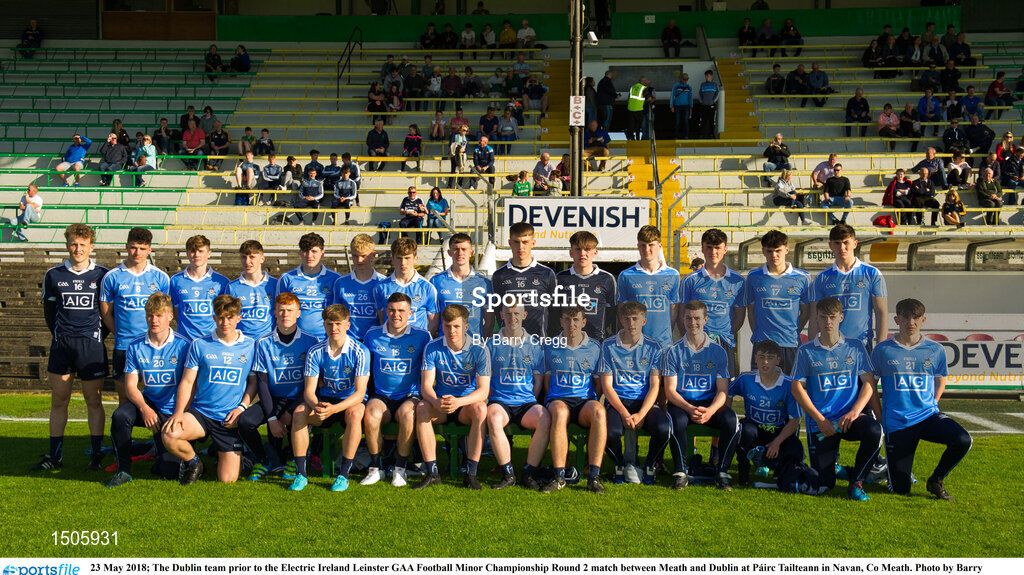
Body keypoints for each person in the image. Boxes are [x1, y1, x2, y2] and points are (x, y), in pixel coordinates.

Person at [872, 298, 972, 501]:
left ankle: (936, 480)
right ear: (897, 320)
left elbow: (941, 378)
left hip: (928, 416)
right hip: (898, 423)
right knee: (900, 490)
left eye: (916, 317)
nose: (911, 322)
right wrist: (881, 417)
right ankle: (881, 471)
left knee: (963, 440)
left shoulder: (935, 350)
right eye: (906, 317)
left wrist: (934, 401)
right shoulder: (882, 350)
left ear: (923, 320)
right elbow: (870, 386)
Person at [30, 225, 110, 472]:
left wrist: (95, 337)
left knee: (93, 401)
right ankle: (55, 457)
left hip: (91, 348)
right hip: (62, 346)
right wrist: (62, 336)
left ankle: (96, 456)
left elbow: (107, 314)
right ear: (67, 245)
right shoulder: (53, 275)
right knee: (59, 400)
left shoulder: (103, 275)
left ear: (91, 247)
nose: (78, 249)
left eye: (82, 244)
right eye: (74, 244)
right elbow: (49, 314)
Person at [790, 296, 882, 501]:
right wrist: (819, 420)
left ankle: (857, 482)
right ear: (816, 318)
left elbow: (869, 383)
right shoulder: (806, 350)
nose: (828, 322)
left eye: (832, 317)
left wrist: (855, 412)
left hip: (849, 419)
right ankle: (838, 470)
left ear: (841, 317)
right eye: (823, 317)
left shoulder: (855, 347)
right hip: (822, 424)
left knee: (875, 430)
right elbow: (796, 388)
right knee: (824, 485)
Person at [161, 294, 257, 484]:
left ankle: (234, 456)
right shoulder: (199, 344)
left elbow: (253, 383)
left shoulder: (251, 346)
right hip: (202, 414)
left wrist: (241, 408)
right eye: (220, 317)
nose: (225, 323)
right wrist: (179, 413)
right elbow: (187, 382)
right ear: (214, 318)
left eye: (230, 317)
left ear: (239, 318)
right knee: (170, 434)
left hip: (229, 418)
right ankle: (195, 463)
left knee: (227, 480)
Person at [105, 292, 190, 486]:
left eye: (159, 315)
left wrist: (180, 413)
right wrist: (145, 408)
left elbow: (190, 384)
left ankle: (158, 451)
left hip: (173, 409)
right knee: (120, 416)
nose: (154, 320)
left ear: (170, 316)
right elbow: (130, 386)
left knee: (169, 473)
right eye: (150, 315)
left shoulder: (184, 345)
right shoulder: (135, 346)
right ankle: (124, 470)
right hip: (150, 404)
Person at [286, 304, 369, 492]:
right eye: (330, 324)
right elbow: (309, 391)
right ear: (324, 325)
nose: (334, 328)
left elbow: (359, 393)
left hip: (349, 402)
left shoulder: (360, 351)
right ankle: (301, 474)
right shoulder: (315, 351)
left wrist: (334, 409)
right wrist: (317, 407)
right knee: (299, 413)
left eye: (338, 323)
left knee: (356, 414)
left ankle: (343, 475)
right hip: (324, 401)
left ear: (347, 325)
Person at [239, 293, 320, 482]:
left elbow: (313, 385)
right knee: (245, 421)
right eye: (281, 310)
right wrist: (272, 418)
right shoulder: (263, 342)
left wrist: (290, 411)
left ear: (298, 313)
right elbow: (262, 383)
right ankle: (263, 460)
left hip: (299, 399)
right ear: (274, 312)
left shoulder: (311, 341)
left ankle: (293, 459)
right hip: (273, 399)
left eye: (290, 310)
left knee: (298, 415)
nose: (285, 314)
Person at [412, 304, 491, 490]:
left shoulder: (480, 349)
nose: (451, 331)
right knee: (422, 408)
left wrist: (459, 402)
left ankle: (471, 473)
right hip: (442, 404)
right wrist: (436, 401)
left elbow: (483, 391)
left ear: (466, 326)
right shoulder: (432, 347)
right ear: (442, 326)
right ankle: (432, 472)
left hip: (465, 405)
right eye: (447, 326)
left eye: (456, 326)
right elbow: (425, 386)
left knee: (481, 409)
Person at [662, 300, 738, 490]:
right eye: (688, 318)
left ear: (705, 319)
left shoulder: (718, 351)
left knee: (732, 420)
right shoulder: (673, 351)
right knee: (676, 421)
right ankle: (680, 473)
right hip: (682, 403)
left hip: (709, 404)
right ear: (683, 319)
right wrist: (689, 408)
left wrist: (711, 410)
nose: (692, 322)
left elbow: (723, 391)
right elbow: (670, 391)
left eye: (697, 318)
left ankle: (722, 472)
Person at [360, 293, 432, 487]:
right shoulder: (372, 335)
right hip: (381, 395)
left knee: (408, 414)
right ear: (386, 311)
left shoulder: (423, 336)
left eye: (401, 310)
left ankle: (400, 469)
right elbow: (365, 369)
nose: (396, 315)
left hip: (410, 395)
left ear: (410, 313)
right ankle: (376, 468)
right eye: (391, 310)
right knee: (371, 415)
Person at [599, 301, 671, 485]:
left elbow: (655, 386)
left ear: (644, 321)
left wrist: (641, 414)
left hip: (644, 402)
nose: (631, 323)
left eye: (635, 319)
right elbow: (607, 386)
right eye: (627, 319)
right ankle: (620, 465)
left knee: (664, 429)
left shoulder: (654, 347)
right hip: (618, 402)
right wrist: (624, 413)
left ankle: (649, 465)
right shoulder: (608, 345)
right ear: (621, 320)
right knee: (610, 432)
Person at [541, 306, 607, 493]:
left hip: (584, 401)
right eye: (567, 320)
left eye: (576, 320)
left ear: (583, 322)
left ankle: (593, 477)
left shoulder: (595, 347)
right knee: (560, 412)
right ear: (561, 321)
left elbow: (598, 384)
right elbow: (547, 382)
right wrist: (552, 398)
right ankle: (559, 476)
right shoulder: (550, 346)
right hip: (559, 399)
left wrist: (592, 400)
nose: (572, 324)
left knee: (599, 412)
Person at [485, 301, 550, 489]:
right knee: (493, 418)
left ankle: (529, 473)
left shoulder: (534, 344)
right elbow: (485, 378)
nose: (512, 318)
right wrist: (492, 398)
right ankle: (508, 474)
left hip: (525, 403)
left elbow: (538, 380)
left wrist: (530, 398)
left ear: (524, 315)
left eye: (516, 313)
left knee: (544, 418)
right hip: (500, 401)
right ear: (501, 316)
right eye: (508, 313)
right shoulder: (491, 344)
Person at [101, 227, 170, 402]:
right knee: (124, 398)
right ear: (126, 246)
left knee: (158, 396)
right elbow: (106, 313)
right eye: (133, 247)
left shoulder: (161, 277)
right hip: (124, 345)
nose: (137, 252)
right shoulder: (112, 277)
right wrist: (121, 333)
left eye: (142, 248)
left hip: (154, 346)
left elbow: (166, 312)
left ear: (150, 249)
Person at [729, 339, 804, 485]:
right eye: (762, 357)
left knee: (795, 449)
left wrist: (777, 442)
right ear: (755, 358)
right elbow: (726, 392)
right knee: (745, 431)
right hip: (754, 430)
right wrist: (728, 416)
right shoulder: (745, 379)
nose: (765, 362)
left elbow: (795, 420)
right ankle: (743, 472)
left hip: (777, 432)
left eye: (770, 358)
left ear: (778, 360)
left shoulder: (789, 384)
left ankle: (777, 468)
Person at [809, 224, 888, 350]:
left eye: (846, 242)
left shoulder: (872, 273)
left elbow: (881, 312)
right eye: (837, 243)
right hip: (831, 347)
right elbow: (814, 317)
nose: (842, 247)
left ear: (855, 243)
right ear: (830, 245)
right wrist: (812, 349)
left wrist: (880, 348)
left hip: (861, 346)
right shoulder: (821, 278)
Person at [681, 229, 746, 378]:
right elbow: (681, 315)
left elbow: (739, 317)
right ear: (702, 249)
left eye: (717, 247)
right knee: (697, 385)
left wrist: (725, 333)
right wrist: (694, 335)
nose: (713, 252)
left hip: (724, 343)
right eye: (709, 247)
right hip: (696, 343)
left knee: (725, 386)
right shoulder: (690, 280)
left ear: (725, 249)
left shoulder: (738, 281)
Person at [743, 231, 810, 373]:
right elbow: (751, 310)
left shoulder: (802, 277)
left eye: (778, 250)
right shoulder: (754, 276)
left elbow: (806, 311)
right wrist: (758, 334)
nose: (774, 255)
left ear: (787, 249)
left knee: (790, 385)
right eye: (769, 251)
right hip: (763, 344)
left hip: (790, 343)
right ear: (763, 251)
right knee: (761, 385)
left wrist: (794, 331)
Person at [617, 225, 681, 349]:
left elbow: (673, 312)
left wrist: (665, 335)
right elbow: (621, 311)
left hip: (663, 344)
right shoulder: (626, 275)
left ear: (659, 246)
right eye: (643, 245)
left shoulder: (673, 275)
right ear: (638, 246)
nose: (647, 249)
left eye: (651, 245)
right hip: (635, 344)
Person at [491, 222, 557, 337]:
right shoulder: (499, 275)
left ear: (533, 243)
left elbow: (553, 312)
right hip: (508, 342)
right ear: (510, 243)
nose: (520, 247)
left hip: (537, 342)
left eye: (525, 242)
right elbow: (497, 312)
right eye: (516, 242)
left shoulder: (547, 274)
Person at [276, 233, 341, 341]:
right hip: (297, 339)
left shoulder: (335, 279)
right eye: (305, 251)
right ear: (300, 253)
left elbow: (339, 313)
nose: (309, 255)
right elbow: (279, 311)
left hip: (326, 339)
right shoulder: (287, 278)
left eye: (314, 251)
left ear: (322, 253)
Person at [430, 233, 493, 342]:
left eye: (464, 249)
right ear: (449, 252)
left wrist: (482, 345)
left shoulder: (484, 283)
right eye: (456, 249)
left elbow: (489, 321)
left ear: (471, 252)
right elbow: (433, 321)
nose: (460, 253)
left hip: (474, 346)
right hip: (446, 346)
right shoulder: (436, 281)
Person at [555, 231, 616, 342]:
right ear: (571, 253)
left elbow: (612, 313)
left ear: (595, 252)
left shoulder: (607, 278)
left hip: (597, 342)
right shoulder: (560, 278)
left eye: (587, 249)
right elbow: (555, 312)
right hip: (567, 342)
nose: (582, 254)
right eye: (578, 249)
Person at [169, 235, 229, 342]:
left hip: (211, 341)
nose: (196, 255)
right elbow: (176, 311)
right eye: (192, 251)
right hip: (184, 340)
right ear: (187, 253)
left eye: (201, 251)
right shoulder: (176, 280)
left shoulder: (221, 282)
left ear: (209, 253)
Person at [372, 237, 439, 333]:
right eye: (399, 258)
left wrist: (421, 339)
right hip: (391, 341)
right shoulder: (380, 287)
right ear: (392, 259)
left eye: (407, 258)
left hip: (417, 341)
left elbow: (434, 323)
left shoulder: (427, 288)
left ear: (415, 259)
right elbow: (382, 320)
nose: (403, 263)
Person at [226, 240, 278, 341]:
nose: (247, 262)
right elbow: (228, 317)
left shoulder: (275, 284)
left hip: (268, 342)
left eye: (252, 257)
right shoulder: (232, 287)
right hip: (242, 343)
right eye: (243, 257)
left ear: (262, 259)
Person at [669, 73, 693, 140]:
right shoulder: (676, 86)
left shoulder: (689, 87)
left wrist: (691, 107)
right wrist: (671, 106)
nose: (685, 81)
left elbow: (690, 97)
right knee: (677, 122)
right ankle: (676, 136)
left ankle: (686, 136)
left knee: (686, 122)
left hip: (686, 106)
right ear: (681, 79)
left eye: (687, 79)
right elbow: (672, 96)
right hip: (678, 106)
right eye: (684, 79)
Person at [697, 70, 720, 138]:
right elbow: (700, 93)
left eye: (708, 76)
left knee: (711, 120)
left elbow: (717, 93)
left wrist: (713, 101)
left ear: (711, 76)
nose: (707, 77)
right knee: (703, 120)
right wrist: (701, 101)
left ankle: (711, 134)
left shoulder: (714, 84)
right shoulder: (703, 84)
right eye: (706, 76)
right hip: (704, 105)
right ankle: (702, 134)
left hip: (711, 105)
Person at [626, 76, 649, 141]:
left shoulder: (632, 87)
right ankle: (635, 136)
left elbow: (629, 98)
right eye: (646, 81)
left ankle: (630, 135)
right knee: (638, 124)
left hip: (630, 108)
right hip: (638, 108)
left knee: (631, 123)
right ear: (643, 81)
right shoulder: (643, 88)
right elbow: (648, 98)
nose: (646, 82)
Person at [448, 124, 469, 188]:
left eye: (466, 131)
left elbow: (467, 147)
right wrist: (457, 148)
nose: (465, 132)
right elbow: (451, 144)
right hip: (455, 155)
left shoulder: (466, 138)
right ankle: (449, 185)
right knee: (453, 170)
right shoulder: (454, 136)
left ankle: (460, 185)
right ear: (460, 130)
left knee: (461, 170)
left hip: (462, 155)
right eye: (464, 130)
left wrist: (463, 150)